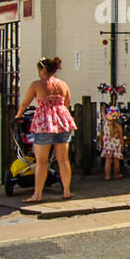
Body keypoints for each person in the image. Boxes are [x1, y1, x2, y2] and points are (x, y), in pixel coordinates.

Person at [15, 57, 77, 202]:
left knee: (41, 162)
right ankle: (67, 191)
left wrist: (18, 115)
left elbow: (25, 103)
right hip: (63, 122)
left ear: (42, 70)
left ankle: (38, 194)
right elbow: (67, 103)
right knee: (63, 160)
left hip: (45, 123)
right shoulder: (63, 84)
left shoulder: (37, 85)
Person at [101, 107, 124, 180]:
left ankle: (107, 175)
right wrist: (122, 145)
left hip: (108, 145)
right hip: (116, 145)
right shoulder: (118, 127)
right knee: (116, 161)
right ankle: (116, 174)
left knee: (108, 161)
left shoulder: (106, 123)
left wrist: (103, 109)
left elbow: (103, 115)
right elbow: (121, 137)